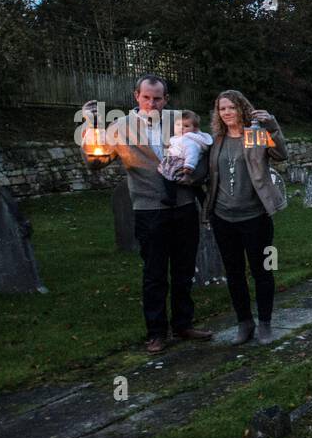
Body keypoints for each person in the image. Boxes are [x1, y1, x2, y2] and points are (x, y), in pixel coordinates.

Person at [81, 74, 213, 355]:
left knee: (184, 269)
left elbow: (204, 155)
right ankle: (156, 333)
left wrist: (193, 178)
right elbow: (95, 162)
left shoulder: (181, 120)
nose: (151, 103)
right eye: (146, 97)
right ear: (136, 96)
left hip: (184, 206)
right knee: (154, 274)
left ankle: (183, 324)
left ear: (166, 99)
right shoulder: (119, 127)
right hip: (149, 210)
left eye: (157, 98)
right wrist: (91, 126)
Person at [204, 89, 288, 345]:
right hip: (223, 216)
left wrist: (272, 126)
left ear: (242, 109)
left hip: (254, 215)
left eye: (231, 107)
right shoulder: (216, 140)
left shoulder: (254, 135)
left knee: (262, 271)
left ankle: (264, 323)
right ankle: (244, 322)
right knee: (234, 272)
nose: (227, 113)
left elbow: (280, 155)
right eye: (222, 108)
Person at [159, 110, 211, 207]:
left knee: (167, 176)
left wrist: (189, 165)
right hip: (180, 160)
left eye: (186, 126)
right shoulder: (181, 137)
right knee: (194, 186)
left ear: (194, 129)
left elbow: (192, 153)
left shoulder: (188, 139)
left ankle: (172, 198)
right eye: (178, 125)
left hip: (182, 163)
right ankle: (204, 201)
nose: (181, 128)